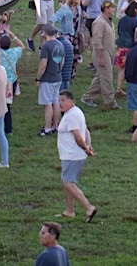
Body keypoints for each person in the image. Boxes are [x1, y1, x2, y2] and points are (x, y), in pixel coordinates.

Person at [56, 89, 98, 223]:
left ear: (71, 101)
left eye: (63, 100)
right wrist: (88, 146)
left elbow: (78, 136)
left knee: (68, 183)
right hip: (70, 154)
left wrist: (86, 148)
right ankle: (69, 211)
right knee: (67, 182)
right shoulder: (75, 112)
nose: (60, 103)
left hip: (72, 155)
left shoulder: (72, 115)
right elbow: (86, 130)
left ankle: (89, 207)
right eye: (59, 100)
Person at [36, 26, 70, 136]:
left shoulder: (46, 46)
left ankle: (47, 128)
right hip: (57, 77)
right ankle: (56, 126)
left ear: (44, 33)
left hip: (47, 79)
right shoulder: (60, 44)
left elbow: (43, 64)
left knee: (48, 103)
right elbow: (62, 61)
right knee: (56, 102)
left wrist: (38, 78)